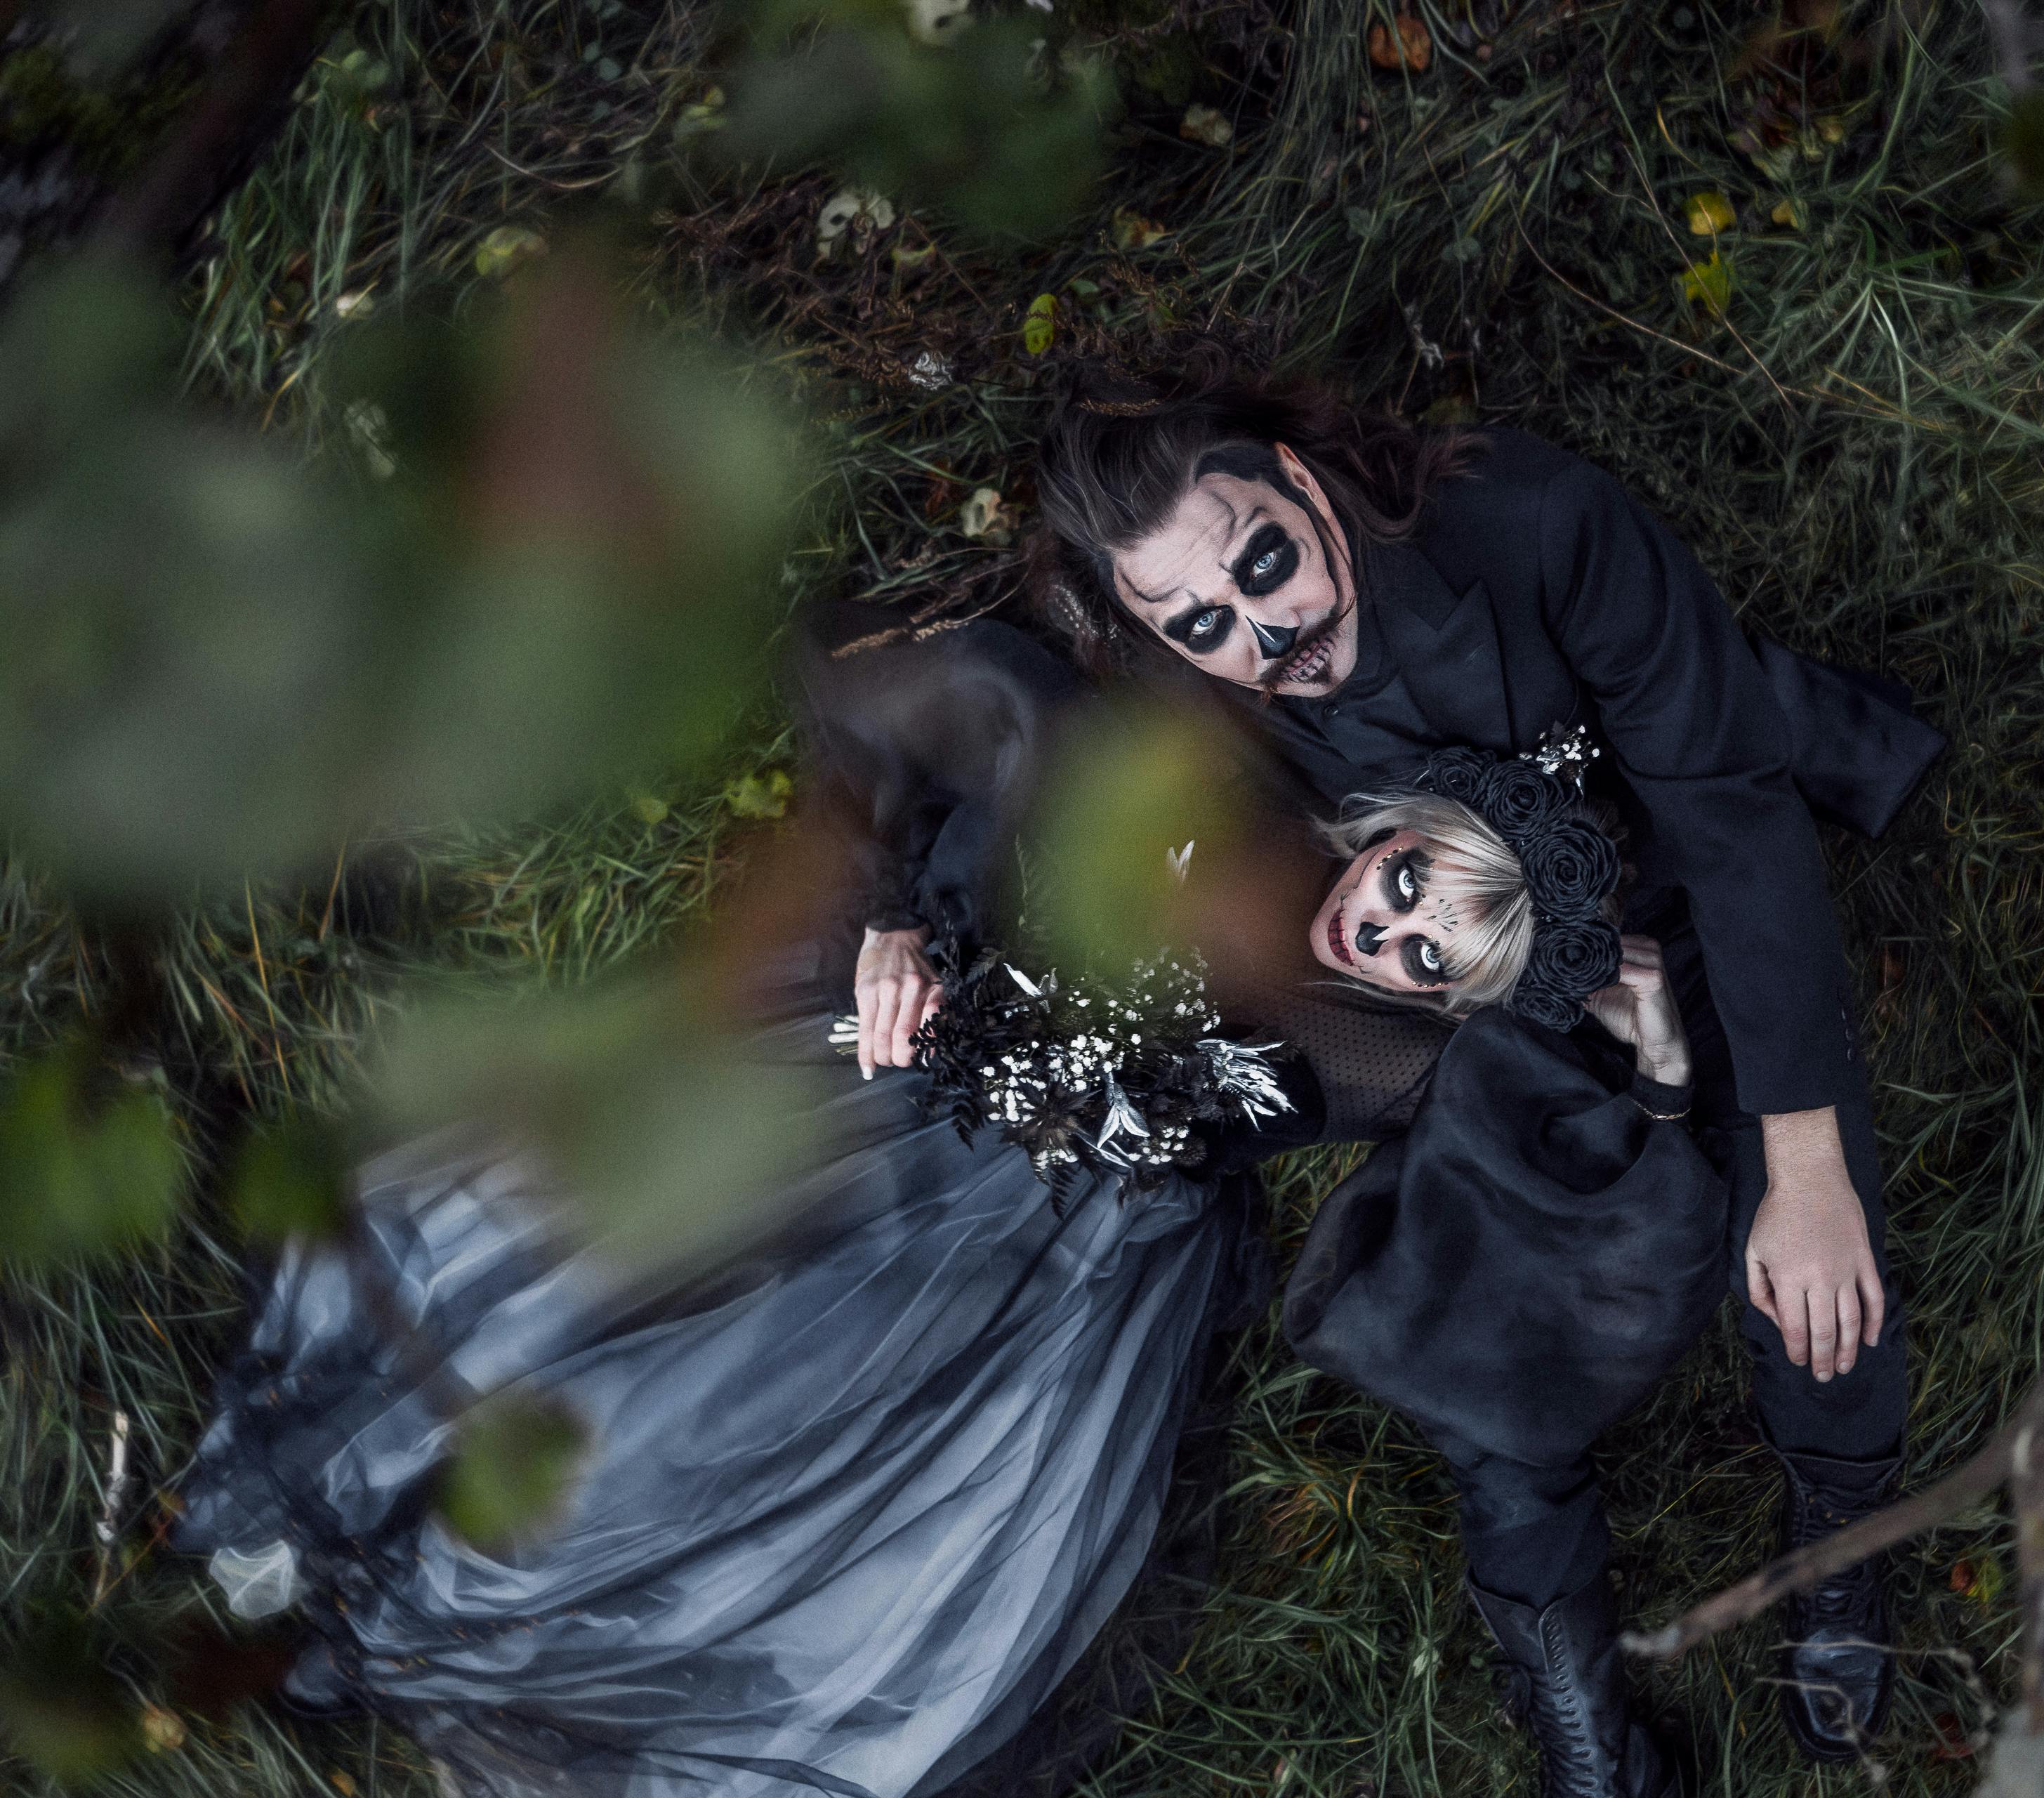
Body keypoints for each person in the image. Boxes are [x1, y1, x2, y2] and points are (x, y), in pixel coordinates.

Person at [170, 619, 1719, 1798]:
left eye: (1426, 953)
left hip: (1079, 1272)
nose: (1378, 929)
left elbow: (1556, 1202)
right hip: (911, 1106)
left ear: (1457, 1000)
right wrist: (893, 929)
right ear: (1384, 832)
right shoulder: (1220, 818)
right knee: (613, 1302)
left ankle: (450, 1630)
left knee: (805, 1508)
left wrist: (1650, 1064)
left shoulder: (1401, 1062)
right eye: (1400, 883)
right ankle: (339, 1511)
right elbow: (965, 704)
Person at [1011, 355, 1944, 1776]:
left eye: (1266, 563)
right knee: (1480, 1276)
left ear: (1305, 482)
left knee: (1809, 1239)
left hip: (1657, 888)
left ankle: (1842, 1523)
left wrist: (1801, 1153)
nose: (1262, 631)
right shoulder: (1192, 682)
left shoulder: (1533, 522)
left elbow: (1736, 821)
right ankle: (1571, 1690)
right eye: (1203, 619)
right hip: (1435, 970)